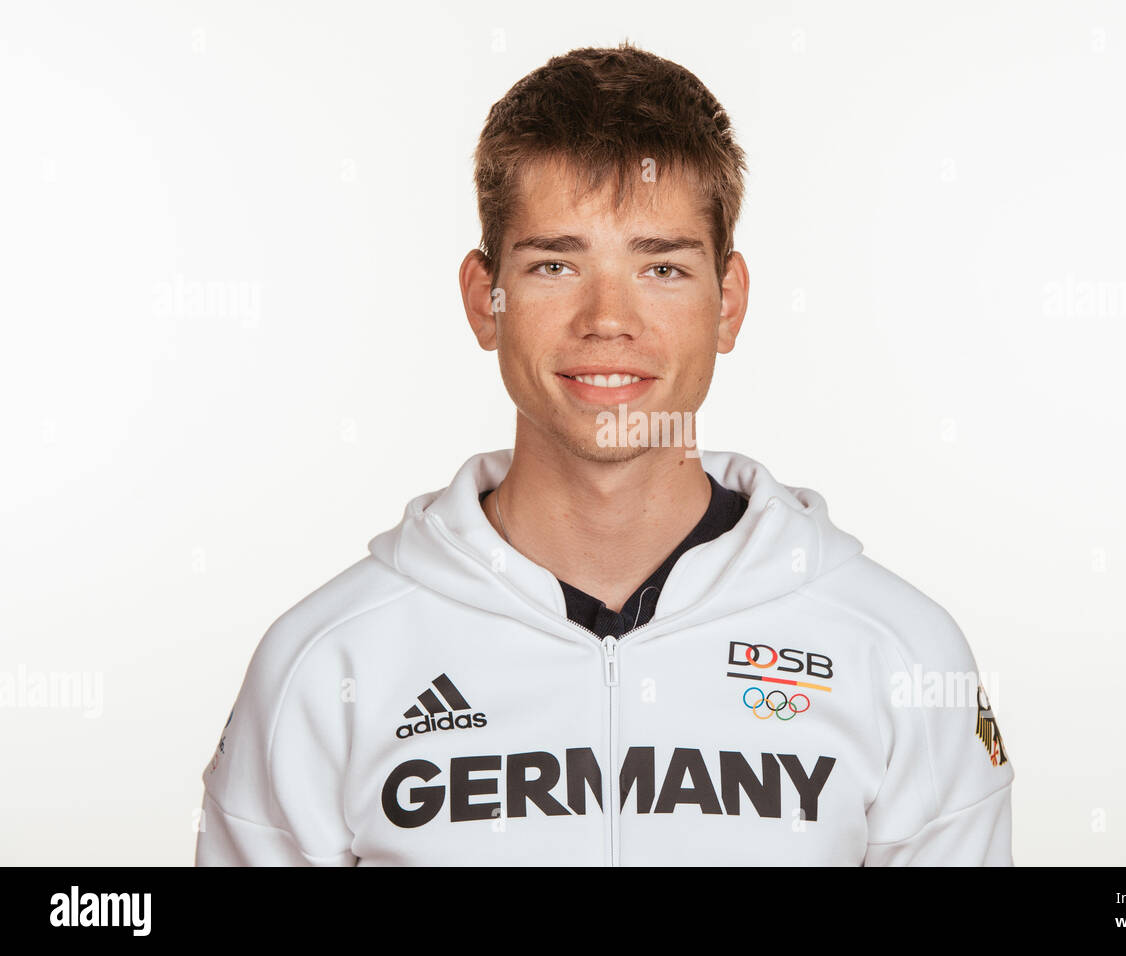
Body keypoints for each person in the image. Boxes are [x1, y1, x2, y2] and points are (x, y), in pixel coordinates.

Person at [195, 41, 1014, 866]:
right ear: (486, 301)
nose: (607, 319)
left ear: (728, 304)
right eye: (555, 264)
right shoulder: (328, 662)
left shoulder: (897, 653)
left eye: (661, 267)